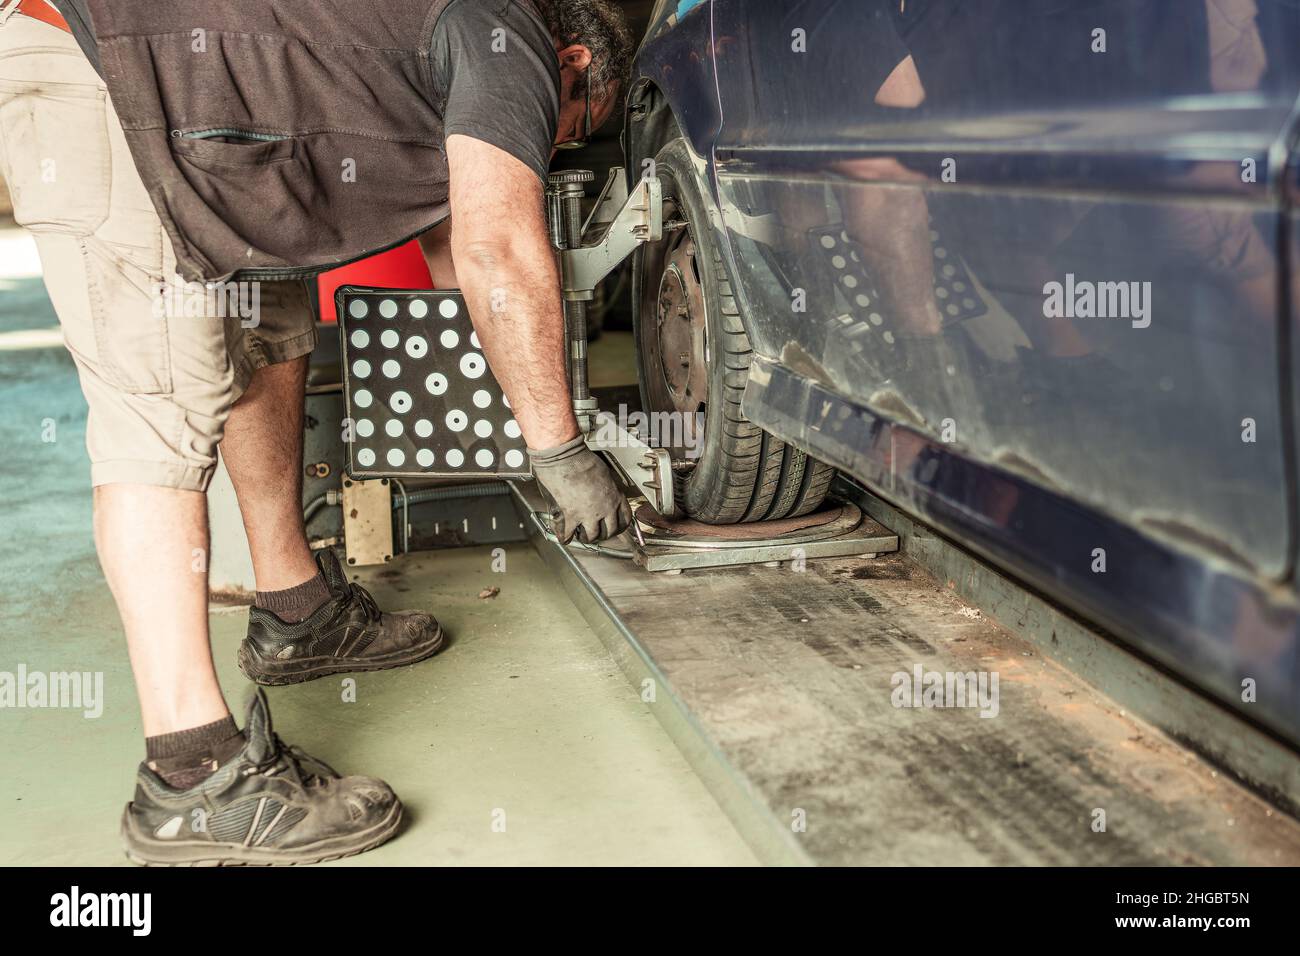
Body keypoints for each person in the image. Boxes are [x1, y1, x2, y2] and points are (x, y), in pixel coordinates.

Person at [0, 0, 633, 865]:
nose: (547, 149)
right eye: (567, 130)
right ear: (573, 65)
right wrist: (560, 449)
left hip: (206, 106)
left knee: (268, 327)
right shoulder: (507, 31)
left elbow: (459, 243)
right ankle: (193, 780)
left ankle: (296, 612)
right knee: (157, 410)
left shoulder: (447, 37)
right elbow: (496, 247)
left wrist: (518, 421)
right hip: (109, 79)